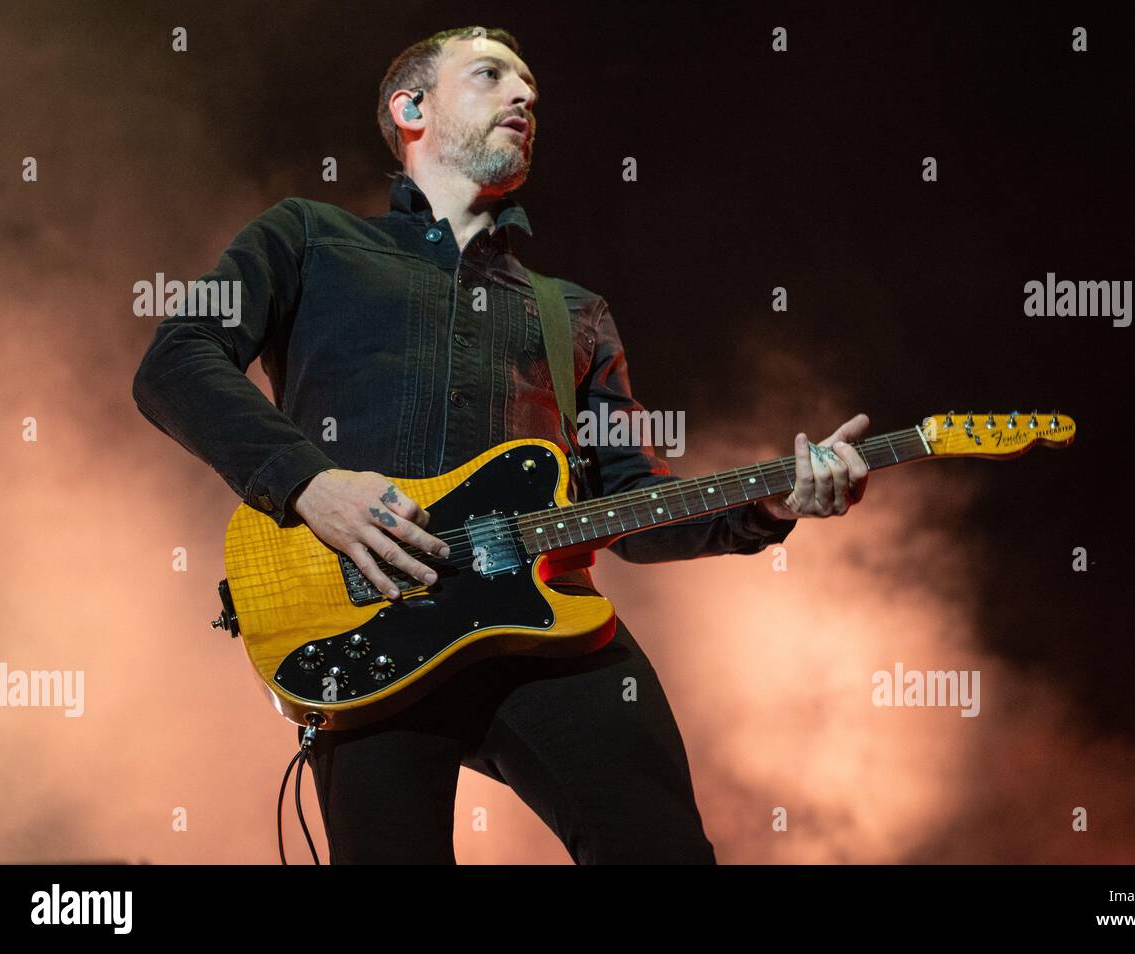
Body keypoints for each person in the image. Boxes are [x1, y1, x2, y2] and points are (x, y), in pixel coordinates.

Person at [131, 25, 870, 864]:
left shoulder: (572, 312)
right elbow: (176, 361)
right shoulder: (310, 237)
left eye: (532, 89)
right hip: (364, 619)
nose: (525, 96)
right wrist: (311, 483)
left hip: (548, 633)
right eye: (491, 76)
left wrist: (764, 506)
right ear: (411, 108)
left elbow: (634, 506)